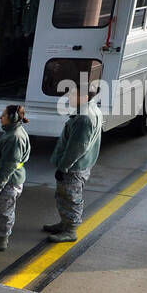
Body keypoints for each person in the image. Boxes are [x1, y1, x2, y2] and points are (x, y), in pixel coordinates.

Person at [45, 82, 103, 243]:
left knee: (71, 197)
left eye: (72, 94)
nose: (68, 97)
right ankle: (65, 223)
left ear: (84, 97)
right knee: (64, 196)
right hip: (81, 165)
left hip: (74, 168)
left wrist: (63, 167)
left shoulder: (83, 118)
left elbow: (77, 147)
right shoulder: (91, 110)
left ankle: (70, 230)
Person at [0, 104, 31, 251]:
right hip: (8, 180)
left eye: (3, 115)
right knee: (1, 210)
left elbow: (9, 165)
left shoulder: (14, 137)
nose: (0, 117)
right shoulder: (12, 132)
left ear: (12, 118)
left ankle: (1, 240)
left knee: (4, 212)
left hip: (8, 182)